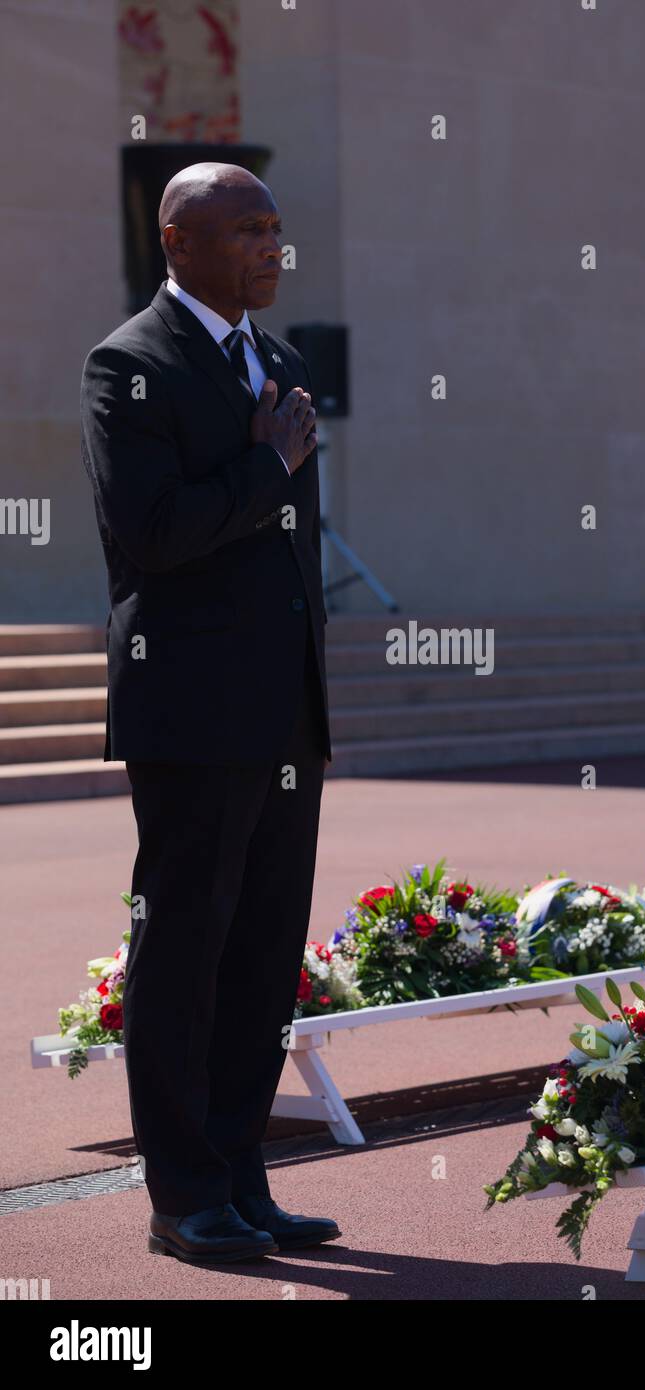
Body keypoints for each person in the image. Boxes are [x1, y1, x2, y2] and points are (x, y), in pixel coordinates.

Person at [80, 162, 339, 1264]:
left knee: (262, 951)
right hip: (191, 711)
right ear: (177, 240)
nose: (270, 246)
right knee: (184, 948)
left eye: (276, 227)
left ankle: (241, 1175)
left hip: (285, 713)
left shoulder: (276, 361)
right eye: (246, 229)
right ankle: (182, 1196)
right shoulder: (129, 365)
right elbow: (152, 535)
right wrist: (268, 468)